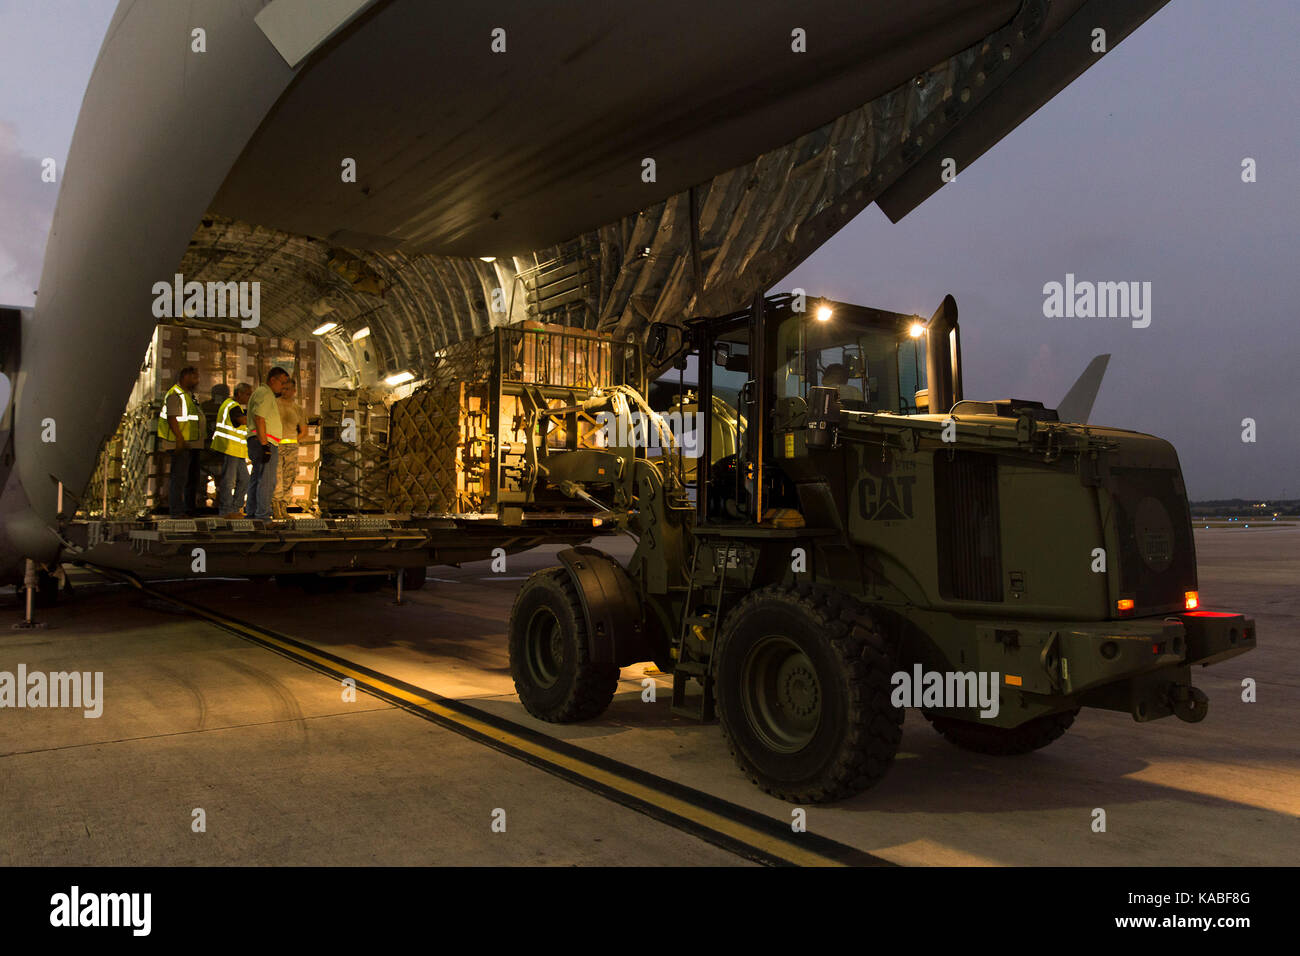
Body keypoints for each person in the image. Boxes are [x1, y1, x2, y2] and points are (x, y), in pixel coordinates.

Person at [156, 366, 205, 517]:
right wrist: (179, 438)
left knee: (191, 477)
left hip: (191, 443)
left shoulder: (189, 395)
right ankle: (176, 511)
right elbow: (172, 418)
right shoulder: (175, 394)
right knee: (179, 477)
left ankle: (189, 509)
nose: (197, 380)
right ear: (185, 376)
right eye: (194, 377)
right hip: (180, 443)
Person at [246, 367, 291, 522]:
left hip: (257, 440)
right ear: (273, 380)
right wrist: (265, 445)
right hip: (264, 441)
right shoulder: (265, 394)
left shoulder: (260, 393)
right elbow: (260, 418)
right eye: (283, 382)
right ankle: (263, 517)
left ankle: (252, 513)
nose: (283, 387)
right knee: (267, 480)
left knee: (257, 478)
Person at [212, 383, 252, 517]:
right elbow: (242, 420)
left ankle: (236, 508)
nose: (249, 397)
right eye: (247, 394)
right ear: (239, 393)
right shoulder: (233, 406)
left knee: (245, 479)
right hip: (230, 448)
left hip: (237, 450)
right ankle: (226, 510)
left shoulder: (232, 405)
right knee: (229, 481)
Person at [272, 378, 309, 519]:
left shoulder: (297, 409)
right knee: (277, 477)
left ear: (294, 391)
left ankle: (283, 506)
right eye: (283, 388)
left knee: (290, 476)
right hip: (277, 445)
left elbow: (303, 431)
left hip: (291, 447)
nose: (285, 391)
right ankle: (275, 506)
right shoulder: (275, 404)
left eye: (288, 389)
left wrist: (293, 442)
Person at [197, 383, 231, 513]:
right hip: (218, 449)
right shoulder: (229, 407)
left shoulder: (204, 407)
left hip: (207, 449)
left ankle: (201, 500)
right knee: (221, 477)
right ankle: (218, 501)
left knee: (204, 475)